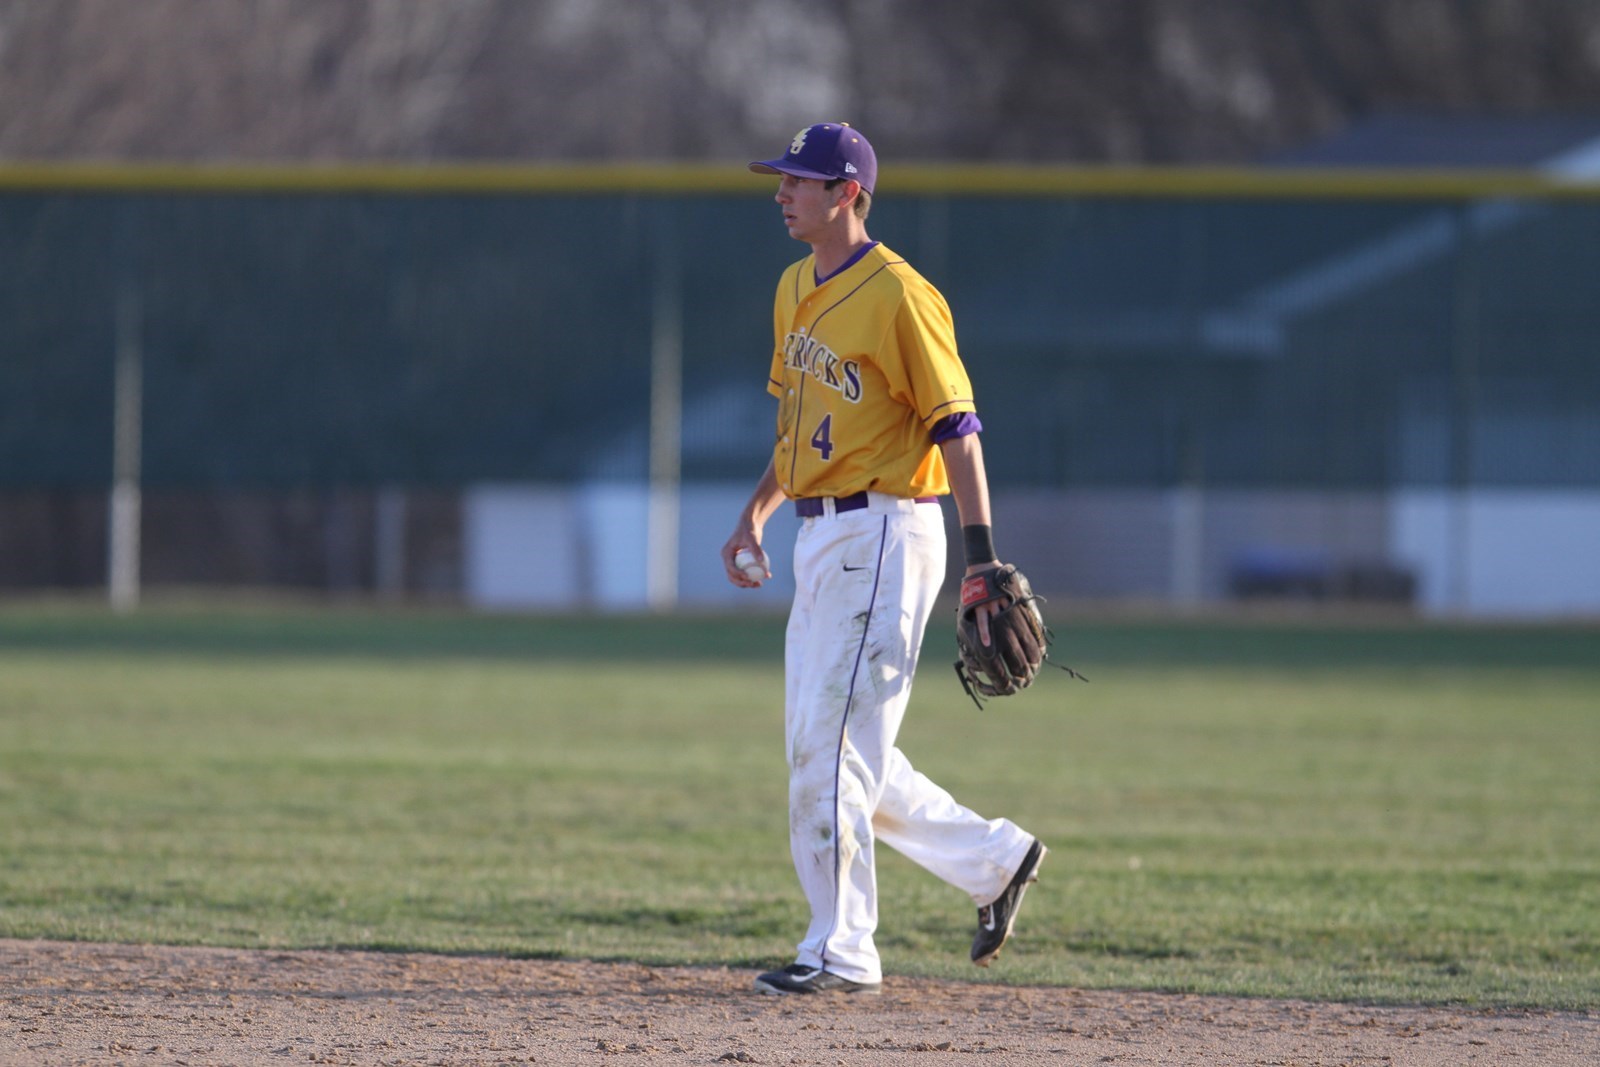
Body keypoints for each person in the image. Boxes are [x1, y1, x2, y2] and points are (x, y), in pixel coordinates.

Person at [720, 122, 1046, 996]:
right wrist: (755, 514)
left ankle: (842, 948)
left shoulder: (902, 296)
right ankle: (995, 859)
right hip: (819, 535)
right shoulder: (794, 287)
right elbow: (798, 429)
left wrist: (982, 559)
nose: (782, 191)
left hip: (890, 529)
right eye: (782, 178)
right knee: (830, 749)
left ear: (847, 195)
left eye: (801, 180)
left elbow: (960, 433)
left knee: (831, 752)